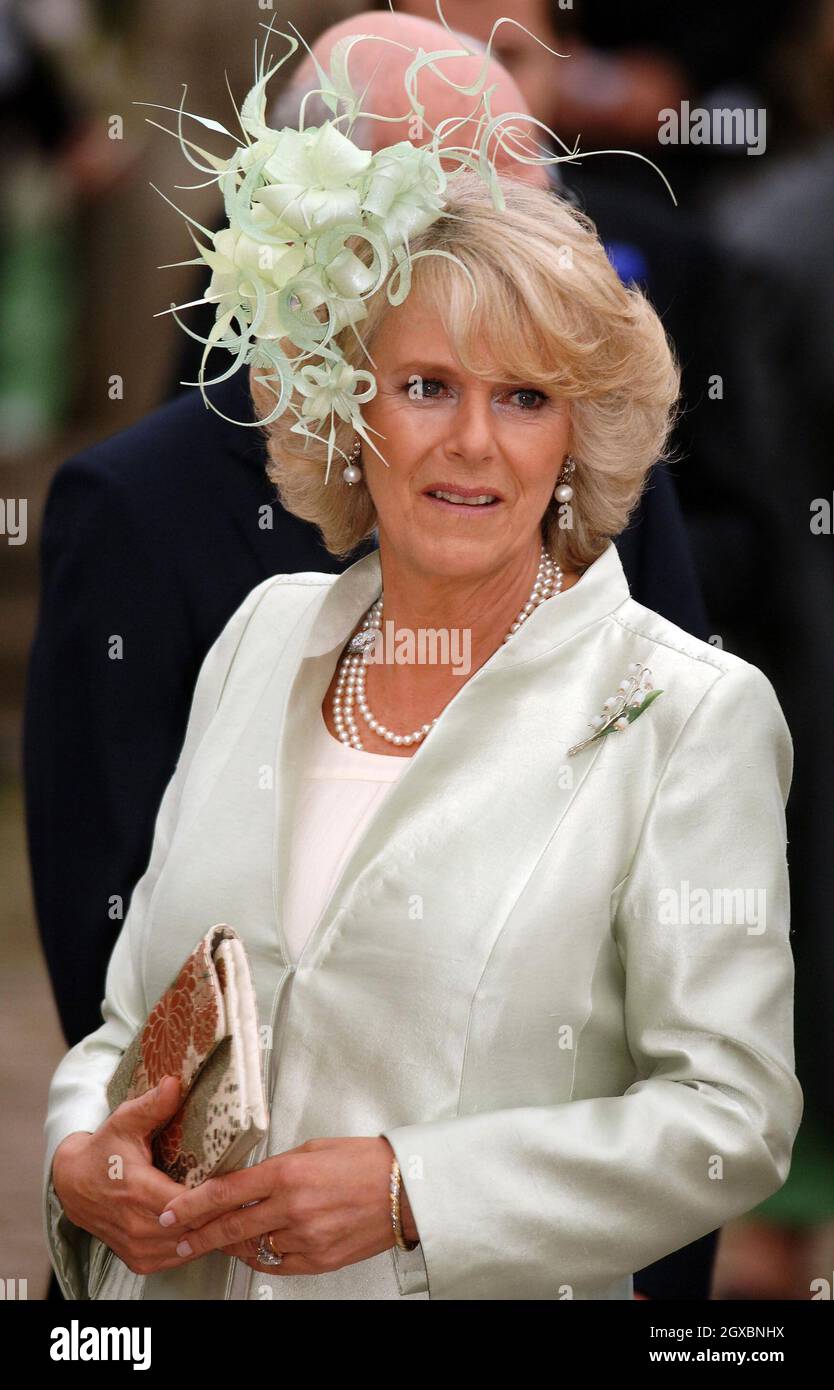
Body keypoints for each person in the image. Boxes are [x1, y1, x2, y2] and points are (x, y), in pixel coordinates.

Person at [40, 17, 773, 1301]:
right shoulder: (263, 637)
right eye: (426, 385)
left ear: (582, 434)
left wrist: (409, 1192)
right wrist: (75, 1155)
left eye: (528, 395)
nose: (473, 442)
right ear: (342, 402)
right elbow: (125, 1020)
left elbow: (731, 1119)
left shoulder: (686, 715)